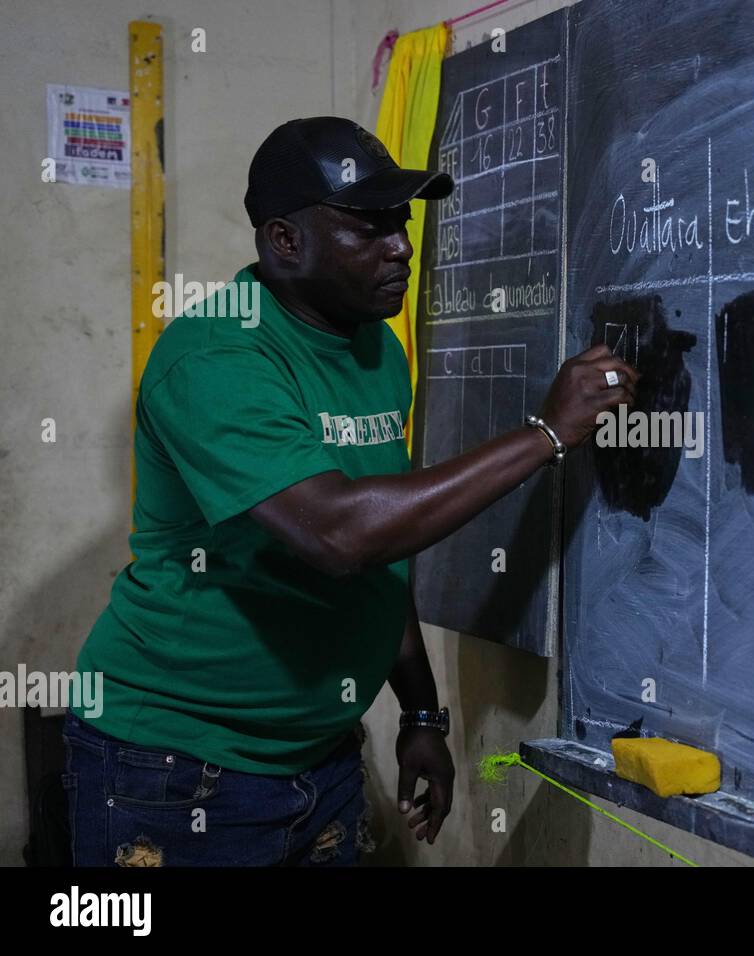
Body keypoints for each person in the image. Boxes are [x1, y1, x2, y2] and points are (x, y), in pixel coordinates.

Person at [63, 116, 638, 866]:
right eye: (368, 229)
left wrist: (421, 711)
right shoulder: (216, 356)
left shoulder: (373, 345)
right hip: (175, 766)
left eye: (400, 224)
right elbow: (340, 536)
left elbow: (382, 544)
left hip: (319, 751)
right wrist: (545, 434)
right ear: (284, 240)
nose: (400, 246)